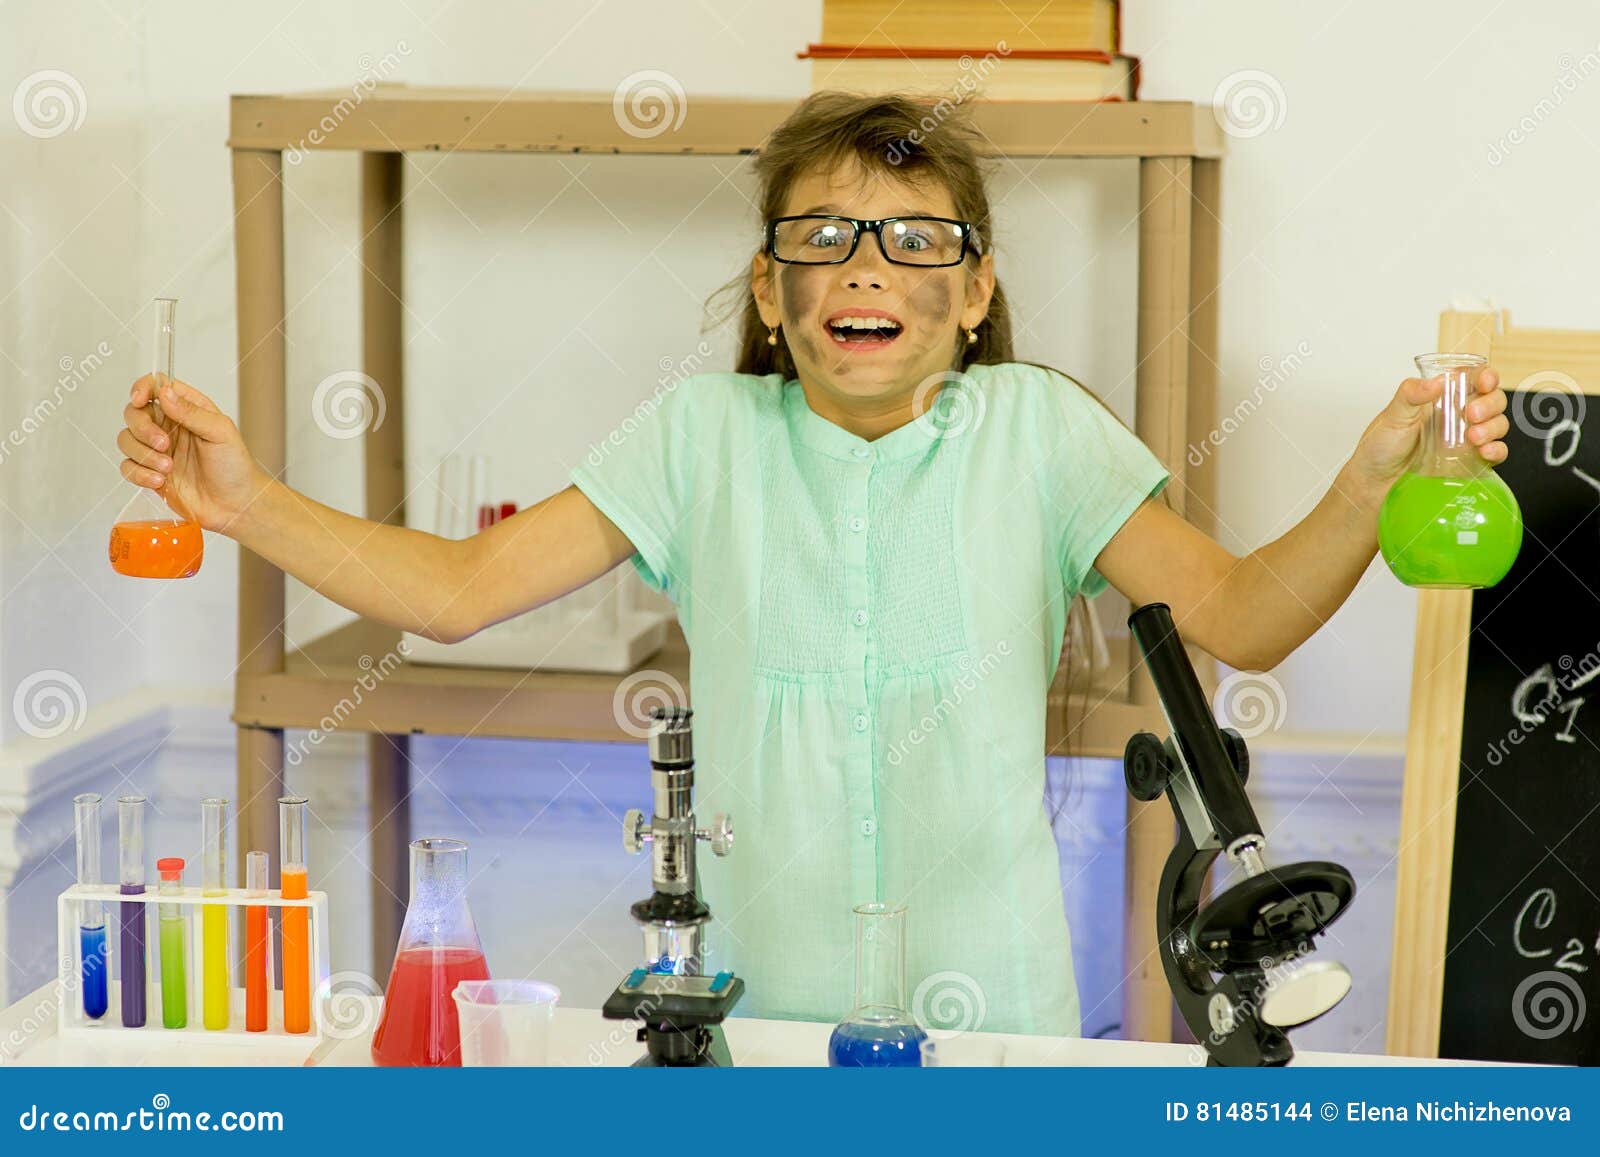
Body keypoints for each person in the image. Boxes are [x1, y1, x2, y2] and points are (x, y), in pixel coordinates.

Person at [117, 91, 1509, 1037]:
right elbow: (455, 592)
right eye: (820, 239)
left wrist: (1369, 477)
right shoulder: (698, 435)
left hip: (994, 1018)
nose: (864, 268)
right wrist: (245, 502)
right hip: (749, 1010)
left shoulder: (1038, 431)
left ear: (971, 295)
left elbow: (1246, 616)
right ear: (776, 298)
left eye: (915, 242)